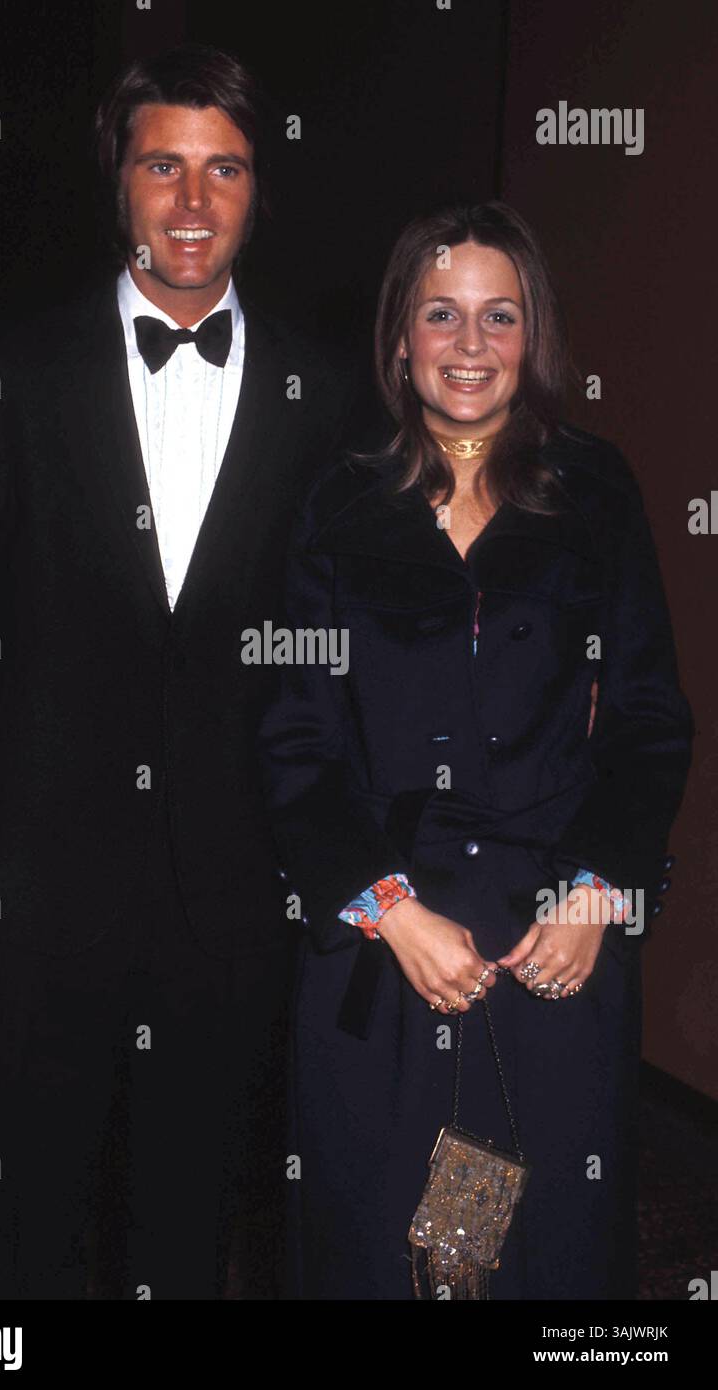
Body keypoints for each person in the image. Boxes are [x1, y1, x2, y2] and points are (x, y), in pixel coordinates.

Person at [0, 44, 358, 1299]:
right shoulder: (7, 373)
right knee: (24, 1217)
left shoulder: (330, 395)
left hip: (239, 886)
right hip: (35, 876)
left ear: (258, 189)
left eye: (224, 170)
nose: (192, 204)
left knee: (192, 1221)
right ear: (118, 180)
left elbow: (343, 651)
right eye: (162, 166)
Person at [258, 202, 693, 1300]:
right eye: (440, 314)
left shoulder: (597, 489)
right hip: (381, 954)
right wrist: (387, 907)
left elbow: (647, 718)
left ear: (532, 335)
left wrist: (598, 893)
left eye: (497, 317)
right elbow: (293, 733)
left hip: (556, 950)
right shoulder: (331, 498)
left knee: (549, 1262)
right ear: (399, 339)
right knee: (374, 1256)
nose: (468, 345)